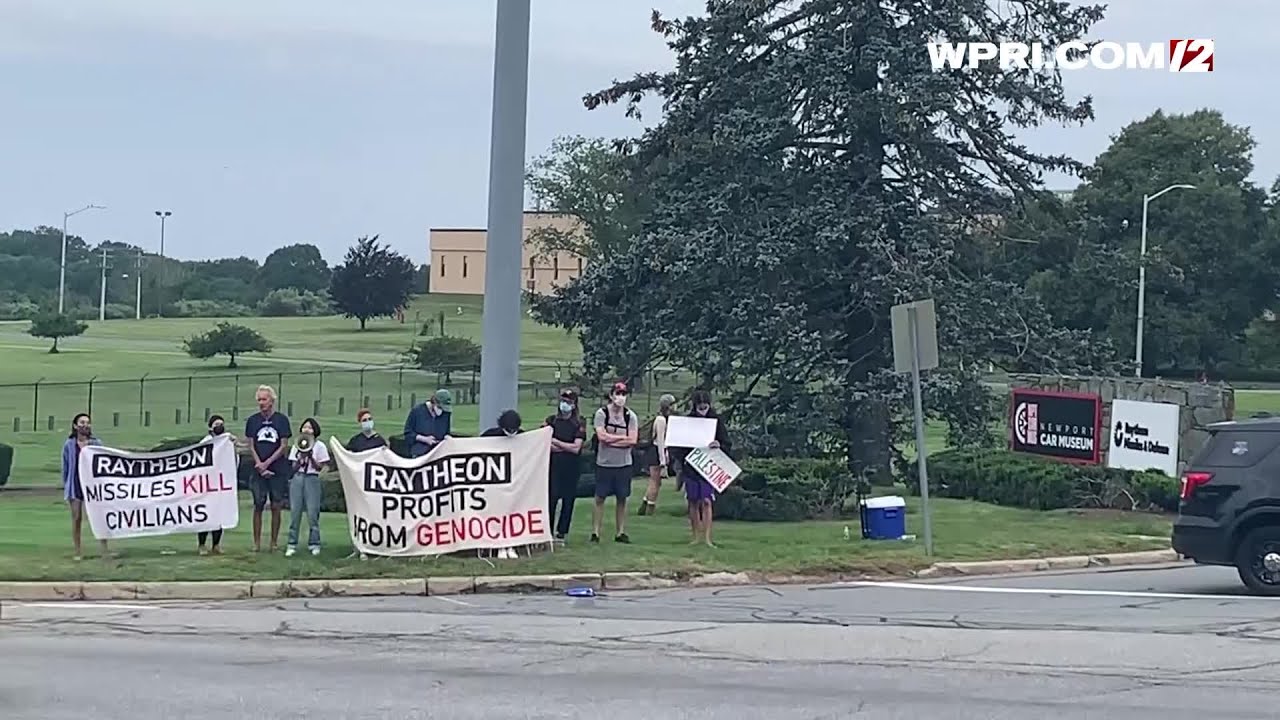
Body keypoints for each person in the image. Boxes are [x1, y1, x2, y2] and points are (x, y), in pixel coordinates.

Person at [673, 390, 732, 547]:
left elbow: (726, 442)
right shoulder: (689, 421)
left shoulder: (716, 421)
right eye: (700, 408)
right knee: (692, 501)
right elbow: (678, 446)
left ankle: (707, 538)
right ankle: (695, 536)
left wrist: (719, 445)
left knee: (706, 501)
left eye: (705, 407)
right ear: (695, 406)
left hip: (709, 466)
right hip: (692, 466)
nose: (702, 411)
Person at [245, 385, 291, 553]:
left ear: (272, 401)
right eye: (259, 400)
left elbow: (283, 445)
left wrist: (268, 463)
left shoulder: (281, 420)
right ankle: (256, 543)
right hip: (258, 470)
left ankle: (274, 542)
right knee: (258, 504)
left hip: (277, 469)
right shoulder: (252, 421)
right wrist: (259, 464)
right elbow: (250, 444)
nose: (261, 403)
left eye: (264, 399)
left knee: (276, 505)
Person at [592, 382, 638, 543]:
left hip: (624, 464)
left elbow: (633, 440)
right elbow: (601, 438)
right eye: (618, 393)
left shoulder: (630, 416)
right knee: (600, 498)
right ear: (611, 395)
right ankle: (595, 532)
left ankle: (620, 532)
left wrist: (612, 440)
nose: (621, 397)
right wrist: (621, 438)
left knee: (622, 498)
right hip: (604, 463)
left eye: (623, 394)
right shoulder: (602, 414)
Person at [62, 413, 108, 561]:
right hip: (75, 485)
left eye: (87, 422)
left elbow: (104, 462)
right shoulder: (69, 444)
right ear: (75, 426)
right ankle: (78, 551)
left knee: (98, 517)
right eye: (82, 422)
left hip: (93, 486)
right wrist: (67, 485)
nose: (85, 425)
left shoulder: (96, 443)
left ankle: (104, 549)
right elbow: (66, 466)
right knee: (76, 518)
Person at [286, 417, 330, 557]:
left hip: (312, 478)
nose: (307, 429)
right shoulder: (297, 445)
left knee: (312, 513)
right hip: (298, 478)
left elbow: (320, 467)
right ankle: (292, 544)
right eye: (305, 427)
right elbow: (293, 467)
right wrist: (301, 458)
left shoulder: (320, 446)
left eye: (310, 427)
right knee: (295, 512)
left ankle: (314, 543)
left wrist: (310, 457)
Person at [546, 389, 585, 541]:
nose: (564, 405)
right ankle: (548, 530)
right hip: (554, 465)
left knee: (568, 499)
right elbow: (543, 442)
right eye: (563, 401)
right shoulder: (551, 421)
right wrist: (564, 446)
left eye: (568, 402)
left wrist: (555, 441)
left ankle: (562, 532)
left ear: (574, 405)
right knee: (552, 497)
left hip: (571, 467)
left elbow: (576, 448)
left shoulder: (579, 423)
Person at [197, 414, 232, 555]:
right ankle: (202, 544)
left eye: (221, 424)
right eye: (217, 424)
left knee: (219, 515)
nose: (220, 427)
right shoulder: (205, 442)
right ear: (210, 427)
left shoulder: (226, 442)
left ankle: (216, 544)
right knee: (205, 515)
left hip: (220, 484)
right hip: (206, 484)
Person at [638, 393, 677, 516]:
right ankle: (650, 507)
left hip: (657, 451)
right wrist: (663, 461)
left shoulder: (664, 419)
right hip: (655, 452)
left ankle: (644, 505)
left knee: (656, 481)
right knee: (655, 481)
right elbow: (660, 441)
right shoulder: (661, 420)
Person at [404, 389, 453, 457]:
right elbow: (408, 434)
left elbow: (446, 433)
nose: (441, 410)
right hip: (420, 453)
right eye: (439, 407)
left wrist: (448, 438)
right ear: (434, 402)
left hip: (439, 453)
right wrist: (424, 439)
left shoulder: (446, 414)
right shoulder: (417, 411)